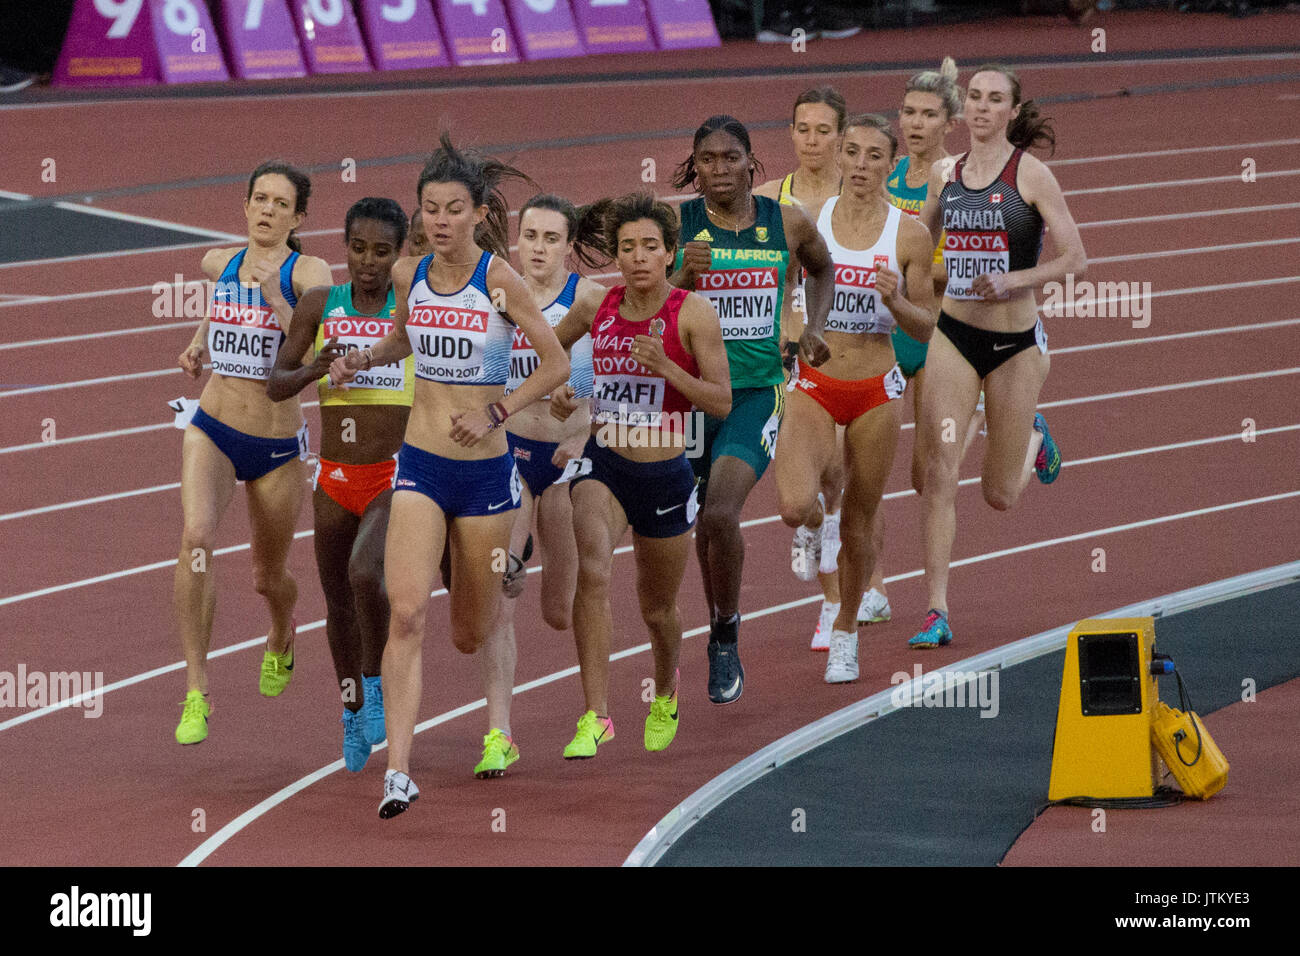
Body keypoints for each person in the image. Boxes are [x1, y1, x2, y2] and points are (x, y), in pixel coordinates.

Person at [329, 135, 569, 818]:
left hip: (486, 476)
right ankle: (399, 772)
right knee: (406, 611)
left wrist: (498, 410)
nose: (439, 220)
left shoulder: (499, 281)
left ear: (477, 213)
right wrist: (362, 359)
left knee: (469, 630)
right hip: (422, 466)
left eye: (452, 209)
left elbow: (552, 365)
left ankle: (501, 573)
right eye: (430, 208)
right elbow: (406, 337)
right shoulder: (410, 275)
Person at [549, 192, 732, 756]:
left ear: (669, 251)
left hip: (664, 476)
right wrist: (563, 391)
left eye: (650, 246)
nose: (637, 257)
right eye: (626, 247)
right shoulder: (594, 307)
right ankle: (596, 714)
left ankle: (665, 689)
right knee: (594, 571)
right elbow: (546, 353)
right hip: (603, 463)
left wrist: (668, 367)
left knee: (657, 609)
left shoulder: (693, 314)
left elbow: (722, 402)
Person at [911, 64, 1085, 649]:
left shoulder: (1031, 176)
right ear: (964, 111)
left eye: (995, 100)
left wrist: (1013, 280)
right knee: (939, 469)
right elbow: (916, 238)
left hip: (1015, 344)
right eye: (975, 99)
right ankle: (936, 608)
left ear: (1013, 111)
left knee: (999, 495)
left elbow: (1075, 261)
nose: (982, 108)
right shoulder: (946, 174)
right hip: (954, 335)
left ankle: (1033, 434)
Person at [670, 114, 834, 703]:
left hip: (756, 393)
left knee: (720, 513)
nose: (719, 169)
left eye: (730, 158)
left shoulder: (784, 222)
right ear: (695, 166)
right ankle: (716, 621)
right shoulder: (677, 224)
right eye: (707, 159)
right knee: (696, 522)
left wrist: (813, 329)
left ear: (750, 162)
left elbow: (822, 267)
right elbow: (645, 300)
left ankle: (724, 635)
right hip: (690, 395)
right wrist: (680, 274)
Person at [173, 161, 332, 744]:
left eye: (280, 203)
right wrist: (196, 344)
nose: (266, 210)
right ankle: (196, 689)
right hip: (213, 426)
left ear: (298, 218)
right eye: (259, 198)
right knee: (196, 539)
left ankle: (282, 629)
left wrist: (277, 301)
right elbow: (220, 307)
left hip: (275, 446)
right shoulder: (220, 261)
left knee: (269, 577)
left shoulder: (308, 270)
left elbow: (317, 348)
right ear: (244, 206)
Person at [775, 115, 937, 682]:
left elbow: (926, 328)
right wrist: (795, 335)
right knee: (795, 503)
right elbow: (787, 292)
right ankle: (812, 521)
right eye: (853, 153)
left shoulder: (909, 234)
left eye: (875, 156)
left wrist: (897, 305)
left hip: (875, 388)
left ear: (891, 165)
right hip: (815, 381)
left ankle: (845, 629)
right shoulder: (808, 221)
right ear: (839, 157)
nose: (862, 165)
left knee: (861, 522)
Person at [267, 197, 412, 772]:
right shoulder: (320, 302)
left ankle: (374, 684)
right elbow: (277, 384)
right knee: (337, 605)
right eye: (358, 248)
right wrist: (314, 368)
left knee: (363, 573)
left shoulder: (411, 307)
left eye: (381, 251)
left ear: (399, 253)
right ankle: (351, 710)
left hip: (394, 472)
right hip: (334, 475)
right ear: (344, 245)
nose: (368, 262)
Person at [474, 194, 606, 778]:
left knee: (558, 610)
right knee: (501, 588)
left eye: (552, 238)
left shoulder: (590, 298)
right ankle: (499, 732)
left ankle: (595, 710)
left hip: (570, 462)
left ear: (569, 245)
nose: (538, 248)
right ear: (516, 239)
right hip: (510, 458)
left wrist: (590, 425)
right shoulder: (497, 294)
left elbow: (625, 379)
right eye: (530, 235)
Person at [853, 57, 982, 637]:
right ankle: (875, 589)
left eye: (929, 114)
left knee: (928, 475)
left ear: (950, 122)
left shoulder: (958, 178)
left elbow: (983, 254)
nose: (916, 123)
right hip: (881, 330)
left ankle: (1011, 421)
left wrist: (928, 272)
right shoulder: (881, 172)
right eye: (908, 112)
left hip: (935, 332)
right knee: (866, 466)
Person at [753, 85, 853, 653]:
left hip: (852, 350)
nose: (812, 140)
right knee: (806, 488)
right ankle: (832, 598)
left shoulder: (862, 197)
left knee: (842, 475)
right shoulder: (769, 199)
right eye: (802, 129)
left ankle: (844, 581)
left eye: (823, 130)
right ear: (790, 134)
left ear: (841, 135)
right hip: (789, 355)